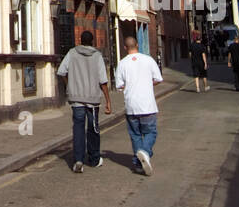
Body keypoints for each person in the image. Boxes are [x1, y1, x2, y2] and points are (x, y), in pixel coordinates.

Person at [56, 30, 112, 172]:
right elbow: (103, 81)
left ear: (80, 40)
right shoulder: (97, 56)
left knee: (78, 129)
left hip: (76, 99)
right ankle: (94, 159)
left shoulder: (71, 53)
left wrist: (69, 84)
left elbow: (61, 71)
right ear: (92, 41)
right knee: (93, 129)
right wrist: (108, 101)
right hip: (93, 99)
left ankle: (79, 159)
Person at [114, 35, 163, 176]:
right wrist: (148, 83)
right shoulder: (148, 60)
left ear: (125, 48)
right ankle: (145, 152)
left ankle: (138, 163)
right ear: (138, 45)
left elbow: (119, 86)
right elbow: (158, 79)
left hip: (131, 105)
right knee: (150, 132)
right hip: (147, 104)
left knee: (135, 135)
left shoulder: (122, 63)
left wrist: (130, 86)